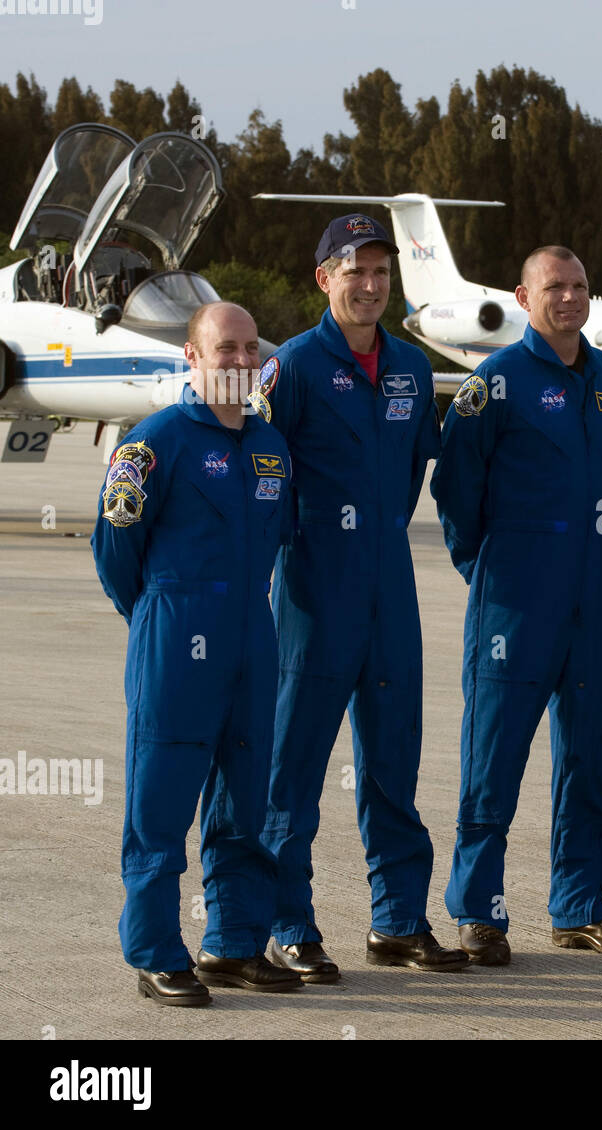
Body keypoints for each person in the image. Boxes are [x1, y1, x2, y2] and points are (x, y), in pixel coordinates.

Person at [257, 214, 465, 978]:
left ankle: (399, 922)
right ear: (325, 279)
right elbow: (262, 468)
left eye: (381, 272)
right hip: (312, 593)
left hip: (390, 588)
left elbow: (416, 471)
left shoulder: (411, 369)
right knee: (294, 767)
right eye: (355, 272)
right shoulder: (294, 368)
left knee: (393, 762)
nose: (371, 286)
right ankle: (287, 923)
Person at [432, 245, 602, 966]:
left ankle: (580, 904)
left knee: (589, 757)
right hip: (515, 601)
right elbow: (455, 490)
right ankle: (479, 911)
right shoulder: (495, 383)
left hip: (592, 591)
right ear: (524, 298)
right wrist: (488, 568)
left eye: (581, 286)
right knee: (493, 759)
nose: (571, 298)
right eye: (555, 287)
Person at [92, 301, 301, 1004]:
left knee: (247, 801)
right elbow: (117, 551)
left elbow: (282, 541)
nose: (242, 362)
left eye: (250, 349)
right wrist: (157, 613)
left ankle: (234, 944)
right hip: (177, 639)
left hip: (253, 636)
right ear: (192, 357)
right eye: (225, 350)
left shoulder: (272, 448)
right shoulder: (153, 444)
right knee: (161, 805)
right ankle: (154, 951)